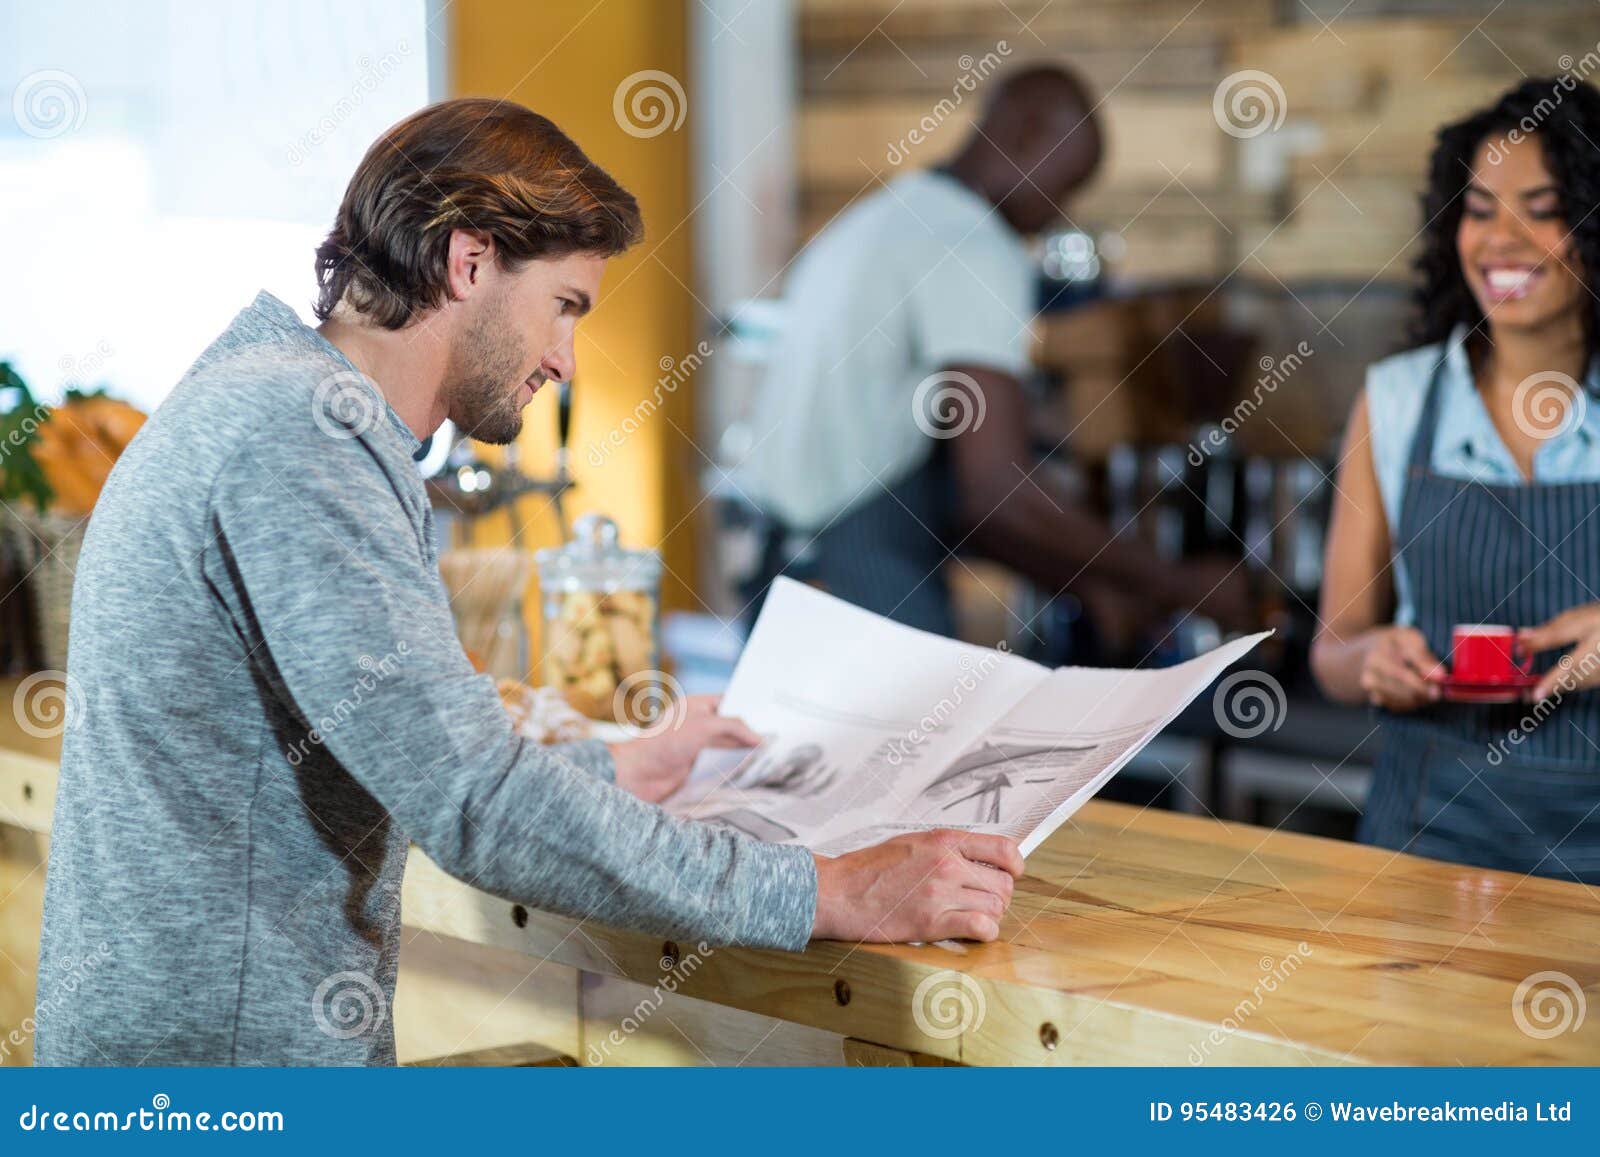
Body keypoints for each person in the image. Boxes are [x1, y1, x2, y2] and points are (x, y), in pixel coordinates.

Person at [34, 99, 1024, 1066]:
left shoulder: (281, 404)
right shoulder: (302, 442)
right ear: (468, 262)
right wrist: (828, 889)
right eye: (564, 307)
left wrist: (608, 772)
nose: (563, 356)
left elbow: (420, 744)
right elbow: (475, 803)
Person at [734, 64, 1249, 639]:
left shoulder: (879, 218)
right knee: (925, 730)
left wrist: (1090, 582)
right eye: (1069, 183)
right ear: (1027, 132)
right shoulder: (974, 245)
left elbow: (951, 494)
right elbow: (997, 493)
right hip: (862, 588)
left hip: (778, 583)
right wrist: (1180, 584)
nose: (1063, 210)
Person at [1312, 78, 1600, 884]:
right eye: (1479, 209)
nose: (1502, 239)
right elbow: (1334, 647)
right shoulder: (1397, 399)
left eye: (1541, 208)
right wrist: (1368, 658)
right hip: (1426, 836)